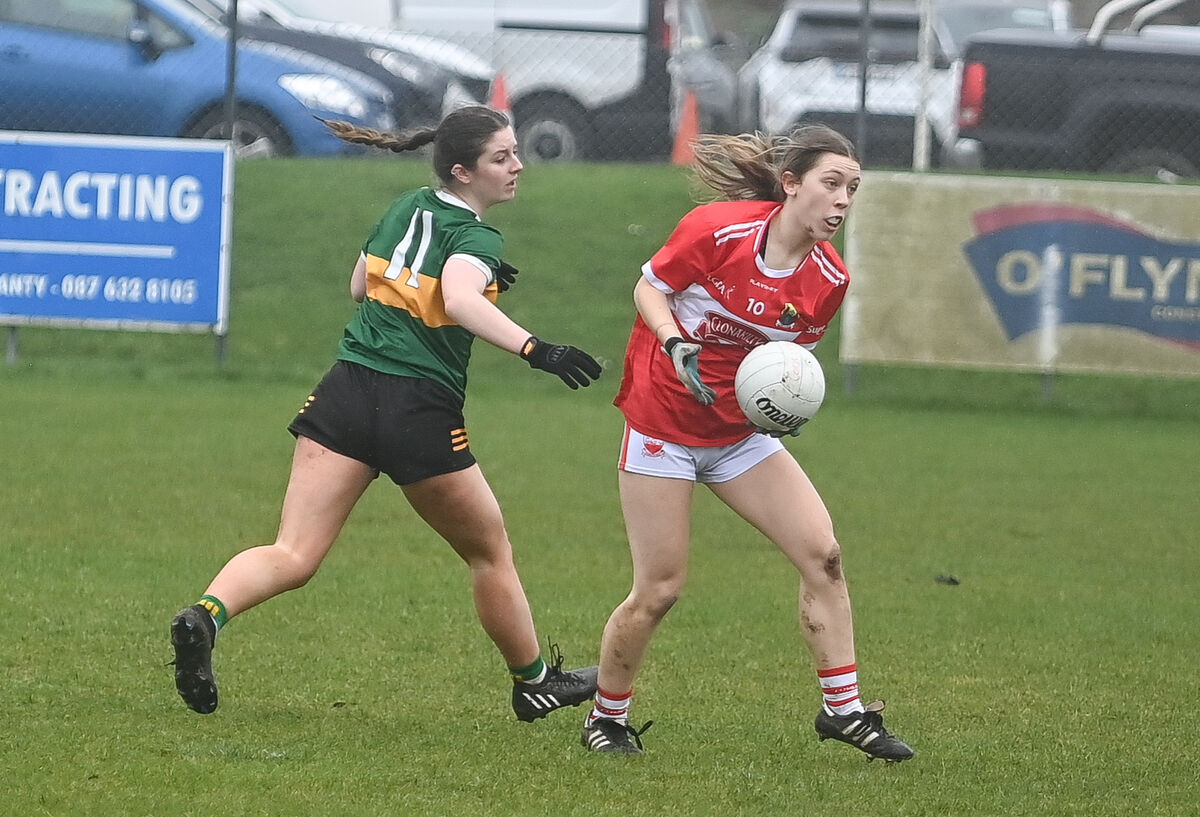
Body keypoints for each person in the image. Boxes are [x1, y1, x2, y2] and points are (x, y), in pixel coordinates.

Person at [170, 105, 602, 723]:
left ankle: (205, 616)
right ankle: (533, 683)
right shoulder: (478, 237)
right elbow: (455, 296)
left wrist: (446, 281)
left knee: (293, 552)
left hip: (346, 390)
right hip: (416, 408)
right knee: (489, 552)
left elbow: (359, 286)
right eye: (502, 157)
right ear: (463, 171)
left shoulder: (405, 207)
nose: (518, 165)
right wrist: (537, 348)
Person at [579, 125, 913, 761]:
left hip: (738, 438)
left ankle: (843, 710)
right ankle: (607, 718)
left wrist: (784, 407)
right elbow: (648, 288)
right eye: (832, 183)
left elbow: (786, 369)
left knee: (825, 555)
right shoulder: (719, 231)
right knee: (660, 589)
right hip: (663, 429)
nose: (843, 201)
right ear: (791, 185)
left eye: (853, 189)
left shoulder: (828, 280)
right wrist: (675, 342)